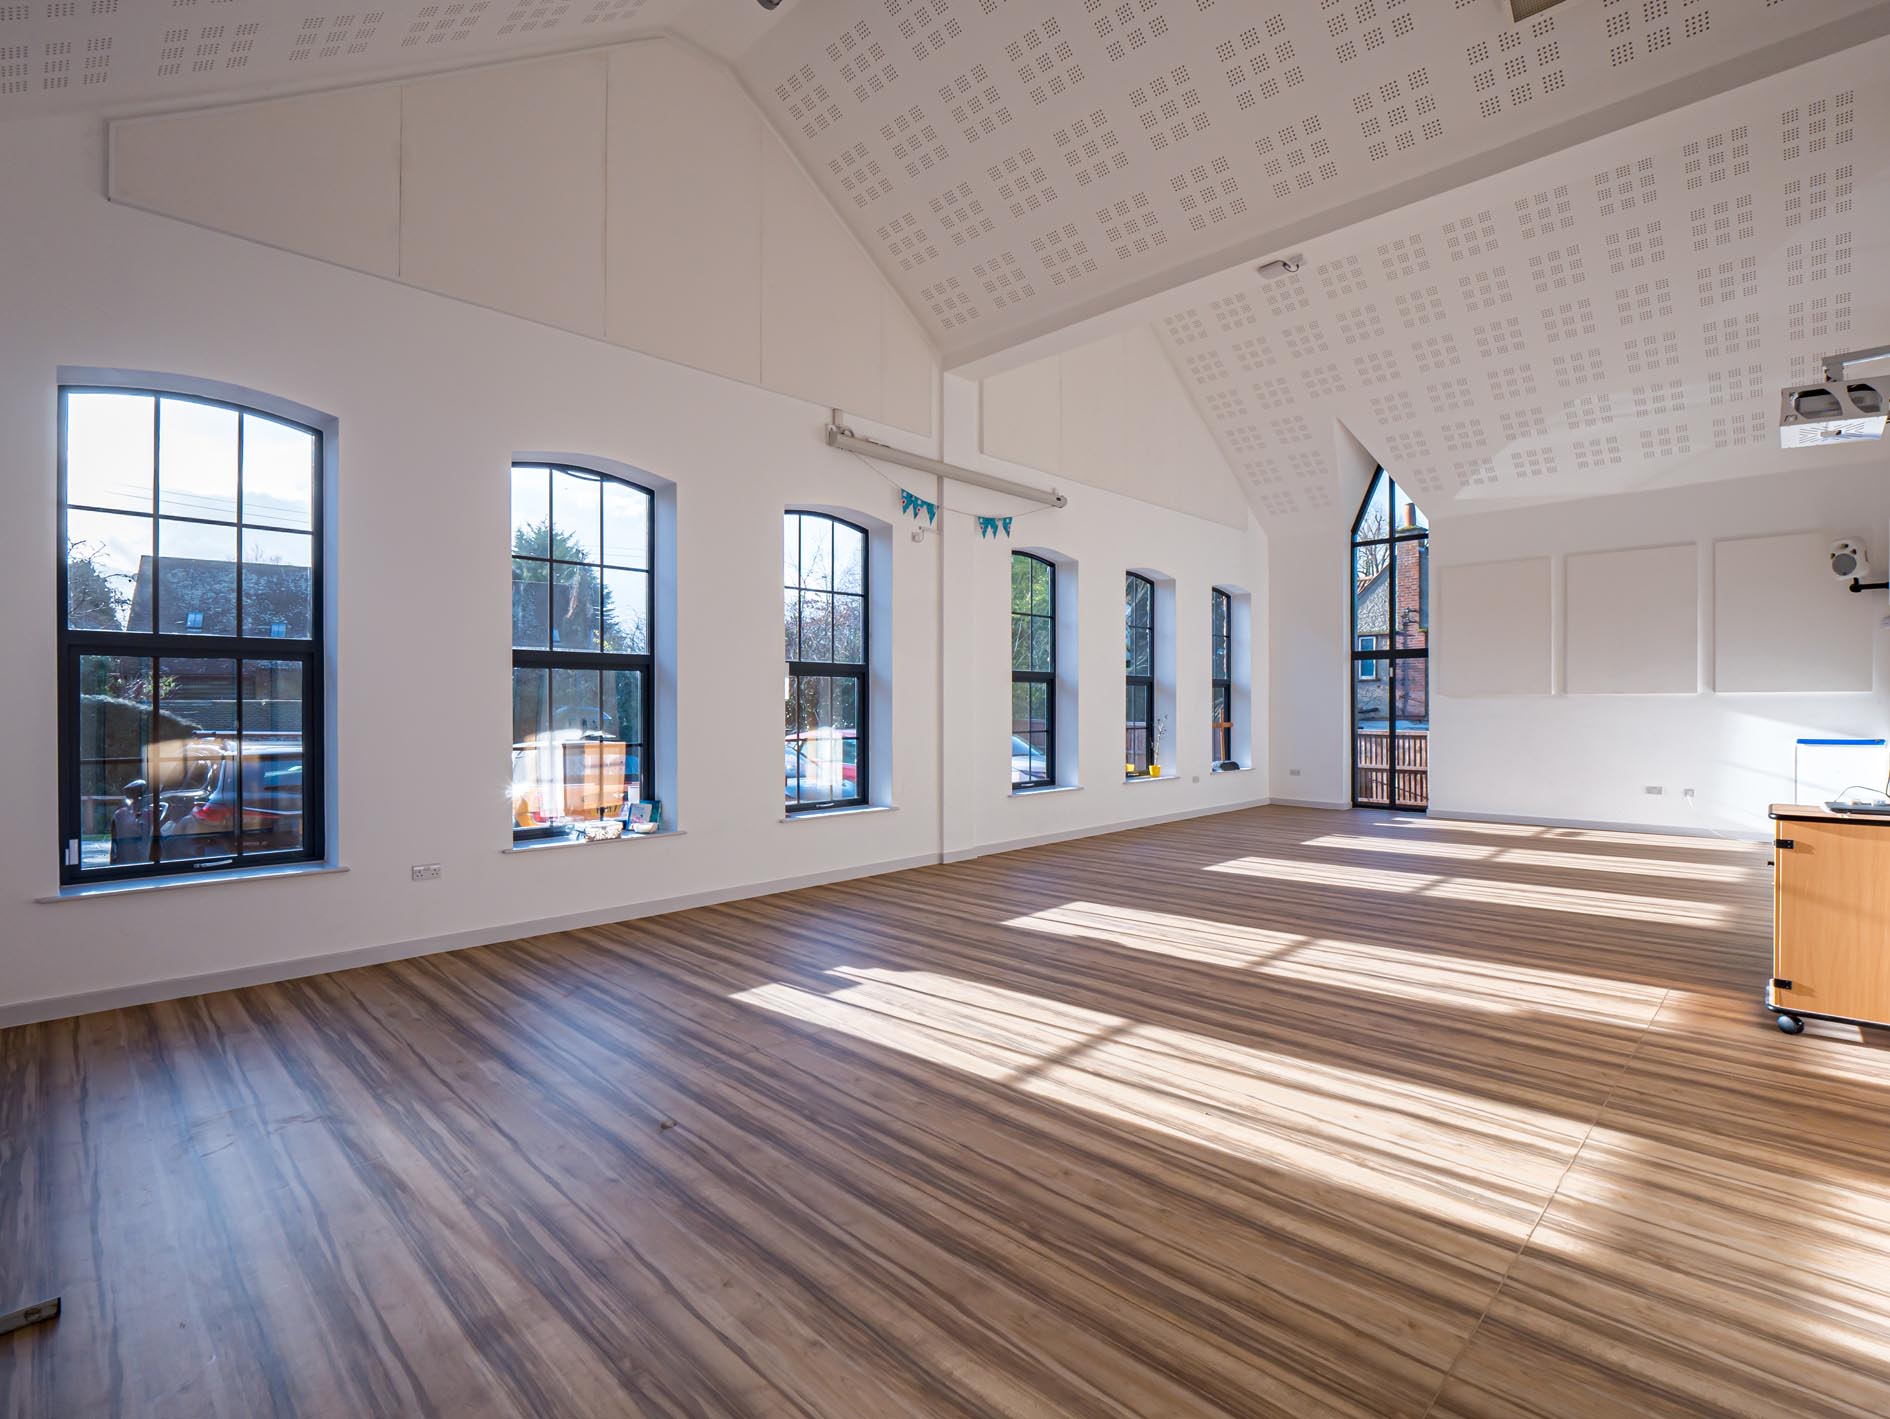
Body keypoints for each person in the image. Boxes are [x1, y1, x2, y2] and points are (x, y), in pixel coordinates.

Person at [109, 779, 154, 865]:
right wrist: (113, 861)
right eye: (134, 793)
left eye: (140, 795)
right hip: (125, 859)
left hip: (144, 860)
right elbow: (114, 842)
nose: (139, 799)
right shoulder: (119, 815)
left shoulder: (150, 814)